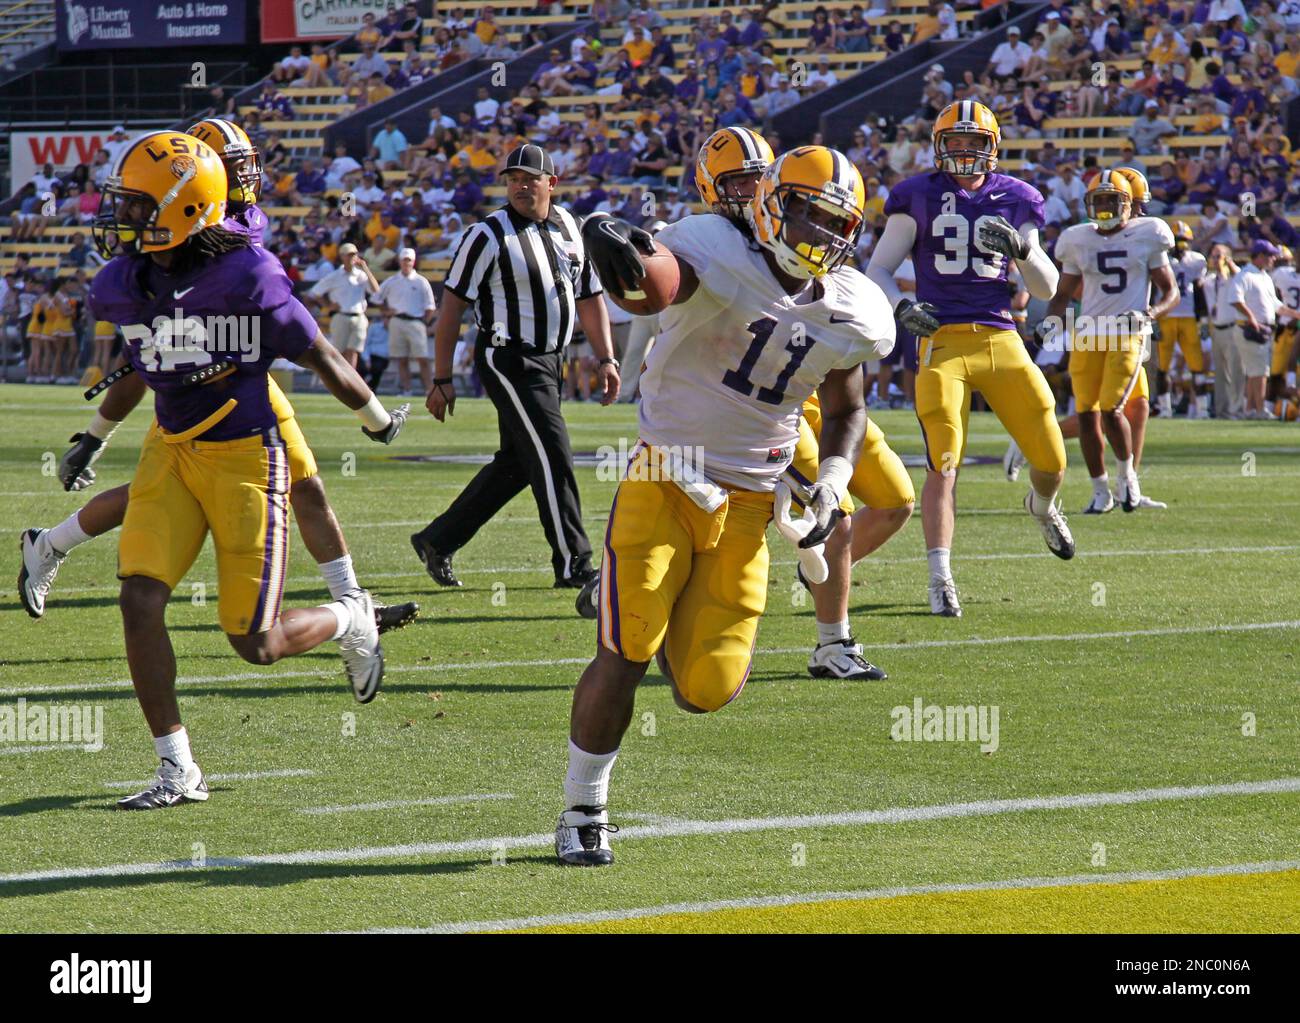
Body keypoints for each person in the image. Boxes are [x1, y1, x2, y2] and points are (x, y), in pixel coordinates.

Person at [555, 146, 895, 865]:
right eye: (805, 209)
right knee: (626, 647)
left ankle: (650, 600)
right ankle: (584, 808)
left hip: (749, 505)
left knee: (705, 691)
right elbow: (656, 288)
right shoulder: (713, 245)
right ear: (773, 201)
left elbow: (846, 407)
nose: (817, 231)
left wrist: (832, 479)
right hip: (665, 478)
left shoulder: (857, 307)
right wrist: (627, 257)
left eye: (836, 222)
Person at [69, 130, 408, 809]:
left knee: (255, 641)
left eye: (136, 207)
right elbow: (146, 361)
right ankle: (177, 768)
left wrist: (375, 417)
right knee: (138, 599)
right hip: (172, 447)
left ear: (185, 210)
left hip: (245, 452)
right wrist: (96, 432)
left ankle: (351, 615)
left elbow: (319, 356)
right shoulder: (124, 281)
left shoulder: (247, 276)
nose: (121, 219)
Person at [19, 120, 418, 636]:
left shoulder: (232, 225)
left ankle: (352, 603)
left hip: (239, 378)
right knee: (156, 490)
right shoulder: (175, 237)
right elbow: (154, 345)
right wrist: (97, 434)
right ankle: (50, 543)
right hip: (194, 379)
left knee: (305, 483)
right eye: (231, 165)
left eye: (242, 162)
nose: (244, 174)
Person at [678, 125, 911, 680]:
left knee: (898, 500)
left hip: (815, 390)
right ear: (710, 187)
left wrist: (892, 313)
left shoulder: (794, 235)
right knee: (839, 516)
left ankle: (820, 568)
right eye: (736, 184)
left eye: (758, 182)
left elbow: (831, 298)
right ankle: (834, 642)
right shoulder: (709, 241)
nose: (747, 195)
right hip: (758, 404)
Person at [867, 101, 1074, 619]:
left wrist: (1023, 253)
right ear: (939, 147)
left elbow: (1048, 287)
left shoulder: (1017, 197)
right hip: (941, 340)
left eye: (972, 142)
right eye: (953, 142)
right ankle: (940, 574)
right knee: (944, 458)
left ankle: (1042, 505)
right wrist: (900, 306)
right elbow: (878, 269)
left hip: (1002, 338)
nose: (962, 152)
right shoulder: (916, 195)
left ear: (992, 146)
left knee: (1051, 460)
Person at [413, 144, 619, 588]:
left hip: (552, 358)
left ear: (552, 183)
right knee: (554, 452)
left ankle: (438, 539)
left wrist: (606, 358)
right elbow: (452, 307)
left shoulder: (570, 225)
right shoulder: (487, 234)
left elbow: (589, 296)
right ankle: (574, 563)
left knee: (519, 463)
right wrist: (442, 377)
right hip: (508, 357)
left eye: (530, 178)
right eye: (513, 179)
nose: (521, 186)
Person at [1046, 171, 1179, 513]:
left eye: (1111, 199)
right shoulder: (1078, 239)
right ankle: (1100, 491)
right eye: (1099, 200)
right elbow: (1062, 294)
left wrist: (1151, 313)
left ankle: (1127, 477)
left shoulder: (1148, 234)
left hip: (1127, 332)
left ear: (1128, 204)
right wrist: (1048, 324)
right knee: (1087, 415)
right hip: (1088, 334)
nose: (1105, 206)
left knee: (1112, 408)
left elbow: (1171, 292)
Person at [1229, 240, 1300, 418]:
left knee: (1255, 372)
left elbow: (1276, 305)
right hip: (1251, 327)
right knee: (1260, 372)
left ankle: (1250, 409)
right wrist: (1252, 318)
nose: (1274, 259)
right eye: (1270, 255)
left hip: (1262, 327)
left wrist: (1296, 314)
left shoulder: (1264, 276)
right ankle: (1260, 410)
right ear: (1260, 256)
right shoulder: (1245, 275)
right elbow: (1236, 299)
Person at [1156, 221, 1211, 418]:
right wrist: (1153, 319)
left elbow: (1199, 291)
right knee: (1163, 367)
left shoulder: (1196, 260)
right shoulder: (1160, 260)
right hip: (1166, 316)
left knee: (1196, 366)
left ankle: (1203, 409)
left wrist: (1203, 321)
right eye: (1178, 240)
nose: (1181, 245)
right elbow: (1154, 289)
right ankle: (1165, 409)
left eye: (1184, 241)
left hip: (1187, 317)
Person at [308, 242, 379, 368]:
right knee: (340, 352)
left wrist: (366, 269)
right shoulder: (335, 276)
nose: (352, 257)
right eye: (349, 255)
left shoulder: (362, 275)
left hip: (359, 316)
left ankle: (351, 382)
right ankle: (341, 381)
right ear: (342, 256)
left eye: (354, 255)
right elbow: (314, 293)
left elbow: (376, 291)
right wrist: (328, 306)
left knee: (353, 352)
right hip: (341, 316)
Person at [376, 247, 436, 394]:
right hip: (397, 320)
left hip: (416, 321)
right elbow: (377, 298)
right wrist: (387, 312)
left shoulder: (422, 282)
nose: (406, 263)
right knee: (401, 358)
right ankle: (407, 389)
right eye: (404, 260)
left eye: (409, 260)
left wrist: (424, 323)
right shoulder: (391, 281)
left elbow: (430, 306)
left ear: (413, 262)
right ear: (399, 261)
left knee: (422, 358)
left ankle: (429, 389)